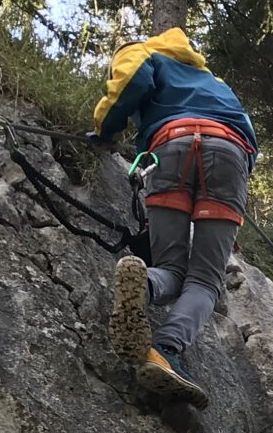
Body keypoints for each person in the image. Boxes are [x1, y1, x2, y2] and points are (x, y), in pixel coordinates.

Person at [89, 27, 258, 403]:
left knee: (172, 267)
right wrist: (228, 205)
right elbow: (249, 139)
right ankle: (167, 350)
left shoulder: (142, 51)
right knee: (205, 281)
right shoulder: (214, 82)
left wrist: (105, 130)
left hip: (170, 147)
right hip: (230, 157)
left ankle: (143, 286)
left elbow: (133, 80)